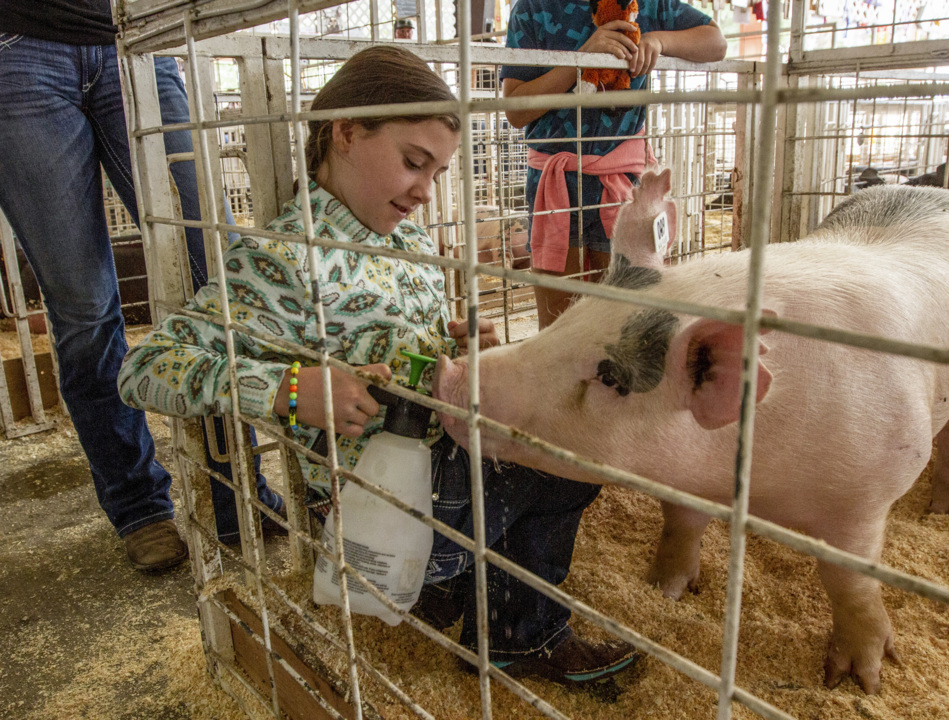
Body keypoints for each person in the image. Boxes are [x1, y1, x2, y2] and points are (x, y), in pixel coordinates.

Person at [117, 46, 640, 686]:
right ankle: (520, 636)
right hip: (376, 513)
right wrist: (288, 389)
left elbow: (407, 345)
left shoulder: (407, 235)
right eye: (413, 163)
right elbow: (144, 367)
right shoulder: (282, 260)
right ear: (345, 132)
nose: (425, 190)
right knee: (571, 454)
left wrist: (460, 346)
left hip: (442, 461)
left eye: (437, 172)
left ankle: (450, 591)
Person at [0, 0, 283, 571]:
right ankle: (139, 508)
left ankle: (233, 493)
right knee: (83, 307)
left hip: (138, 38)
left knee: (216, 274)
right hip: (18, 45)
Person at [500, 0, 727, 329]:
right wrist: (582, 60)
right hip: (555, 184)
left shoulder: (648, 5)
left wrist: (658, 41)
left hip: (622, 183)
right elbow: (515, 110)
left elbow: (716, 42)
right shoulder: (533, 8)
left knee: (621, 321)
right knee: (557, 327)